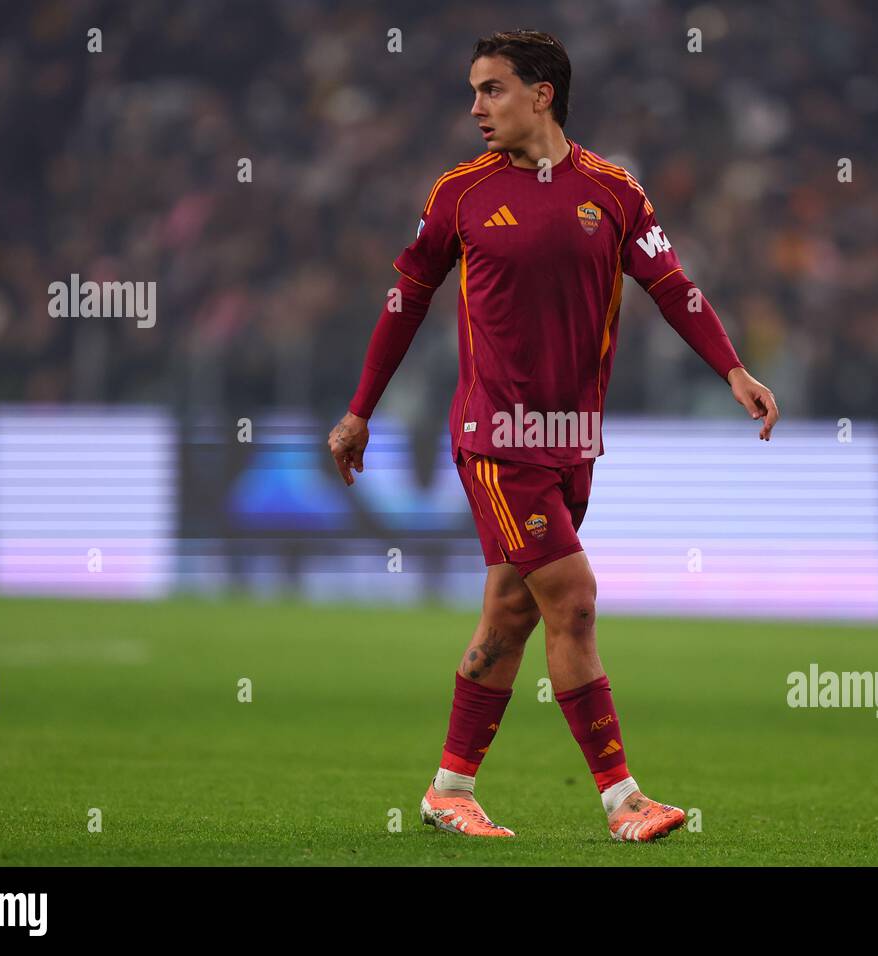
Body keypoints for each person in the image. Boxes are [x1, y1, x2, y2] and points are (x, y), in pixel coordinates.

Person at [329, 30, 779, 842]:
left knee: (509, 613)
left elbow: (673, 287)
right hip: (494, 437)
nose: (475, 108)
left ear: (543, 94)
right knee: (572, 601)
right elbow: (407, 301)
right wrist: (361, 409)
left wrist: (733, 370)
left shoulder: (613, 191)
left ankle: (447, 791)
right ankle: (623, 800)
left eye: (492, 90)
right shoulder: (458, 194)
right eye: (473, 91)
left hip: (573, 439)